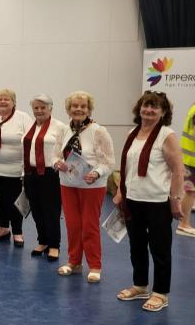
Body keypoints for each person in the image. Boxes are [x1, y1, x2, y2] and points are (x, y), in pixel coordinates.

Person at [113, 91, 184, 312]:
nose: (149, 110)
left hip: (157, 202)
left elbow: (178, 171)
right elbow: (127, 167)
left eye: (155, 107)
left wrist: (175, 200)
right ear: (139, 108)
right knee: (136, 247)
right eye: (146, 105)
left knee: (159, 249)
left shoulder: (167, 135)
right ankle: (140, 285)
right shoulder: (132, 133)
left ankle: (161, 293)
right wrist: (120, 192)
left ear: (163, 112)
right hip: (133, 200)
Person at [53, 90, 115, 283]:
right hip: (68, 183)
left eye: (83, 106)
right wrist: (57, 163)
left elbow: (109, 162)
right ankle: (74, 262)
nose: (78, 109)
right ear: (68, 109)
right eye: (75, 106)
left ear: (89, 109)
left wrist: (96, 173)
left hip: (92, 186)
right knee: (72, 225)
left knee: (89, 226)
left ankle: (95, 266)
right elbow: (55, 155)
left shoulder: (98, 131)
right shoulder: (64, 130)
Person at [0, 89, 33, 247]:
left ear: (14, 102)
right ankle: (4, 228)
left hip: (15, 170)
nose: (2, 101)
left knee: (14, 202)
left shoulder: (23, 117)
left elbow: (31, 140)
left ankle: (18, 232)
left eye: (6, 99)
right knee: (0, 201)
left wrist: (27, 167)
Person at [22, 94, 65, 261]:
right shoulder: (30, 127)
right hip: (30, 173)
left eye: (43, 107)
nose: (39, 111)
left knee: (51, 211)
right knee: (36, 210)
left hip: (50, 175)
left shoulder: (60, 127)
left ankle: (54, 245)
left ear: (50, 109)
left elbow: (65, 151)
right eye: (36, 108)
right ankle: (43, 241)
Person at [177, 102, 195, 237]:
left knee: (189, 192)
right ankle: (183, 224)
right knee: (190, 192)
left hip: (189, 158)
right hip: (192, 160)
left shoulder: (193, 107)